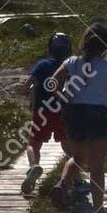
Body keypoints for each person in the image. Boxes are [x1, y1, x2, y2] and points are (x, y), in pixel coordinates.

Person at [49, 23, 107, 213]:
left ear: (83, 43)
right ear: (106, 45)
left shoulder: (72, 62)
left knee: (78, 158)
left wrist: (63, 99)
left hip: (75, 114)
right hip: (97, 116)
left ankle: (62, 184)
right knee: (96, 166)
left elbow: (53, 82)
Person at [21, 30, 72, 195]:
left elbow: (28, 82)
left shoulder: (42, 64)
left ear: (49, 49)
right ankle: (75, 170)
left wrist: (25, 90)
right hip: (62, 112)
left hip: (41, 112)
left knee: (33, 144)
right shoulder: (69, 66)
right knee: (66, 143)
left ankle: (34, 167)